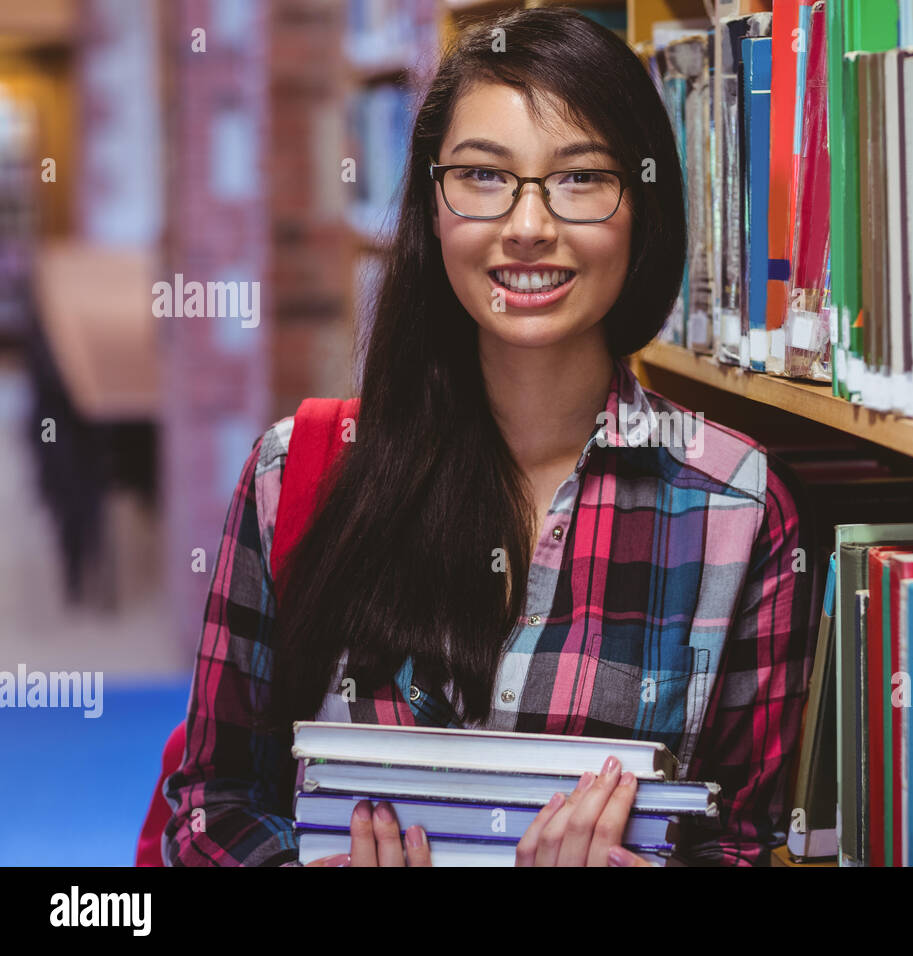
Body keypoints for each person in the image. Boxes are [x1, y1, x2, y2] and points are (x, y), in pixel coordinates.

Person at [162, 7, 814, 868]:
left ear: (642, 210)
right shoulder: (298, 472)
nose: (529, 225)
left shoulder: (739, 510)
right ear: (432, 209)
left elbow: (744, 843)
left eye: (581, 179)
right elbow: (210, 806)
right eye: (483, 176)